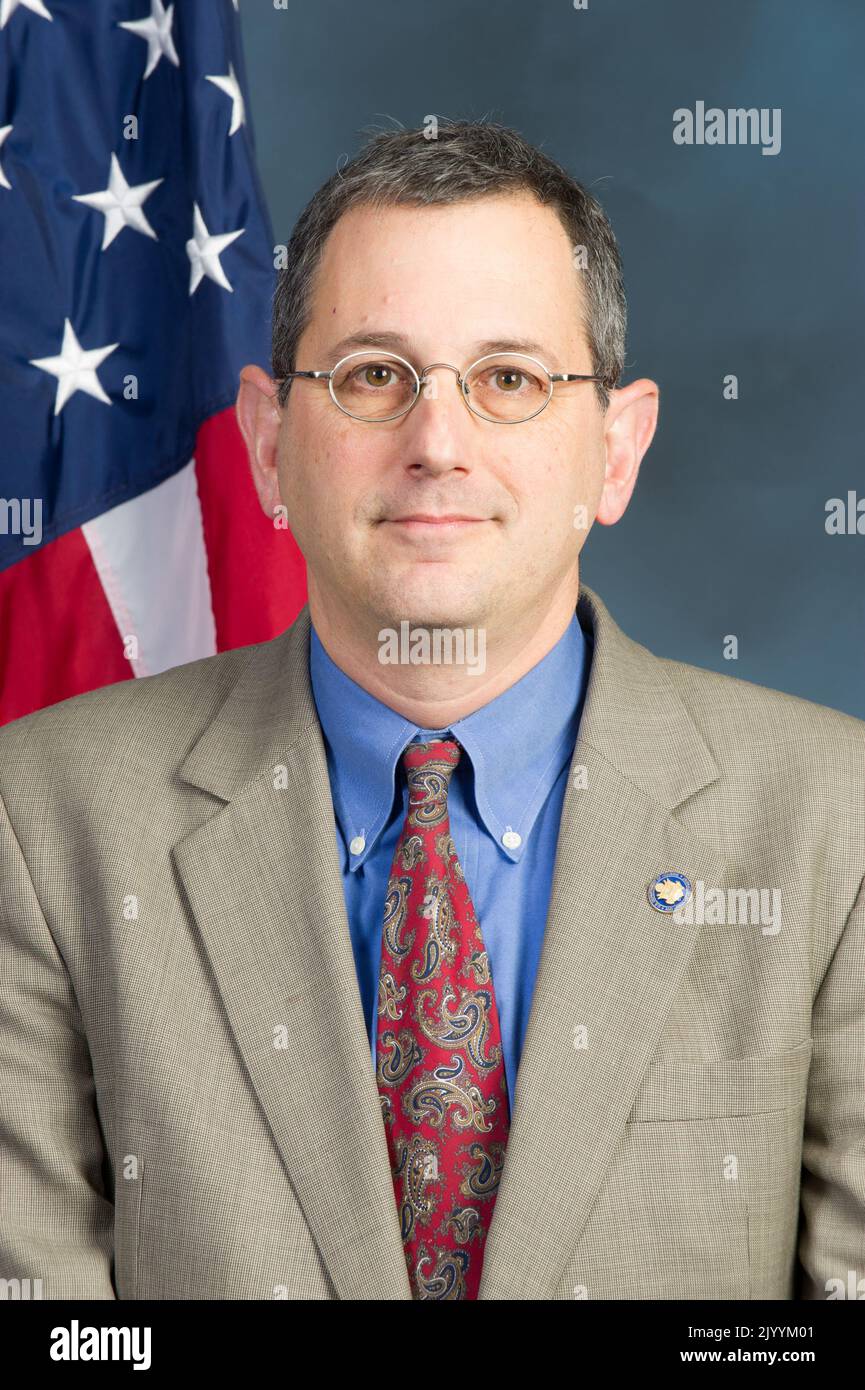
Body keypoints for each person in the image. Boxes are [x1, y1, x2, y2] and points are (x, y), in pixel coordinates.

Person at [0, 119, 862, 1302]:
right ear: (266, 443)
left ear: (616, 451)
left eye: (508, 379)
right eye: (372, 376)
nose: (436, 443)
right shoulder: (41, 820)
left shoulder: (834, 825)